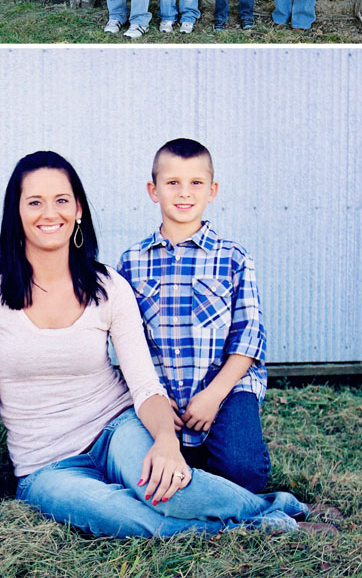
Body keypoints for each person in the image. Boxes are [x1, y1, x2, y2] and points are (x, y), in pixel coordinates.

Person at [0, 150, 310, 537]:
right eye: (35, 202)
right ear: (16, 212)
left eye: (61, 200)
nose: (49, 213)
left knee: (172, 490)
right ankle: (264, 524)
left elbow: (143, 384)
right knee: (122, 515)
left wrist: (164, 441)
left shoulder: (107, 285)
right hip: (46, 465)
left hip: (115, 428)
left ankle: (280, 508)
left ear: (78, 210)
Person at [118, 138, 269, 492]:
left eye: (196, 183)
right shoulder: (132, 262)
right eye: (172, 183)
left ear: (212, 190)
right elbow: (127, 340)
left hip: (225, 389)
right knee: (143, 473)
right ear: (153, 191)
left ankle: (230, 451)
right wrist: (151, 396)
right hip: (162, 395)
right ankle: (195, 461)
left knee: (243, 473)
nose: (184, 193)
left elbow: (249, 337)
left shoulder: (233, 257)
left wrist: (213, 395)